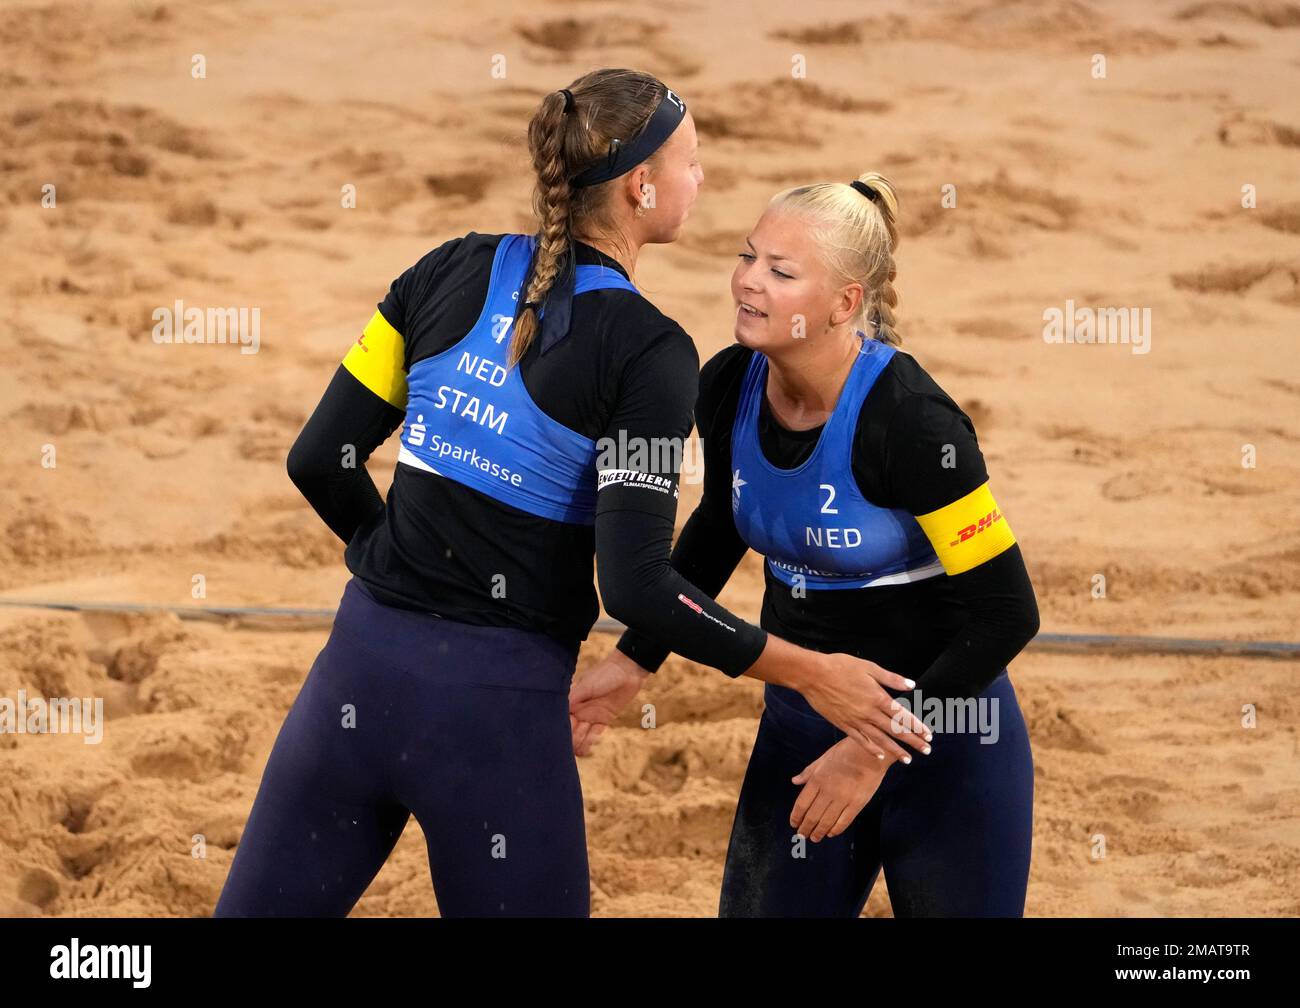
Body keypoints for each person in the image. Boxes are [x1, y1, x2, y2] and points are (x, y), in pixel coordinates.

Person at [213, 71, 927, 919]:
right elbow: (638, 588)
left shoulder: (450, 266)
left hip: (355, 673)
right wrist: (808, 672)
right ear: (642, 187)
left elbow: (317, 461)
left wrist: (393, 565)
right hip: (495, 715)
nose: (701, 182)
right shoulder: (650, 352)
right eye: (692, 163)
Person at [573, 173, 1039, 917]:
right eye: (747, 256)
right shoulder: (728, 382)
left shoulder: (912, 422)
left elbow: (1008, 614)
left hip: (940, 737)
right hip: (802, 727)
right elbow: (720, 527)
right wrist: (634, 659)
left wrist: (875, 748)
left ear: (845, 303)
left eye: (781, 272)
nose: (748, 283)